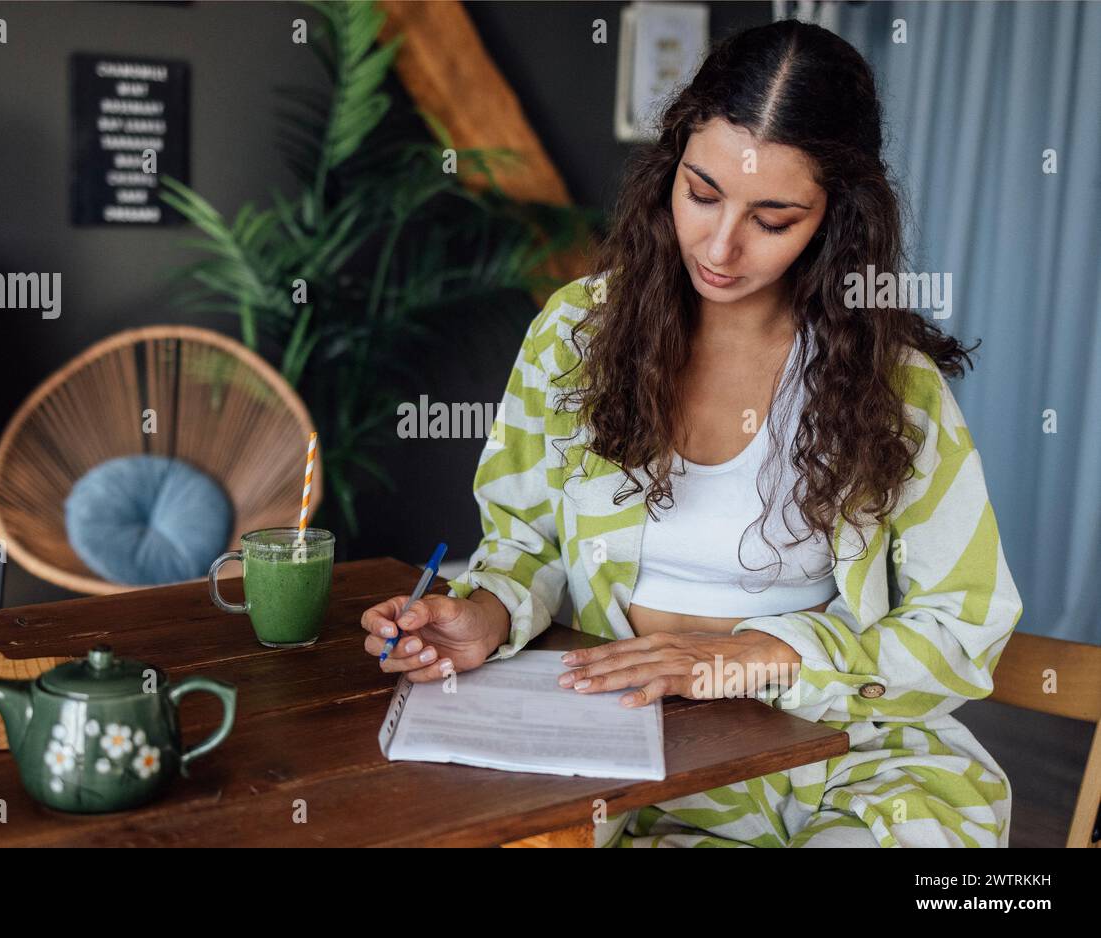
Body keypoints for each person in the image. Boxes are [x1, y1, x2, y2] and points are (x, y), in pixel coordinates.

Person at [359, 19, 1022, 847]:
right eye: (702, 193)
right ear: (670, 165)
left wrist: (747, 657)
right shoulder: (574, 337)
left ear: (836, 217)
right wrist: (486, 611)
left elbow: (963, 625)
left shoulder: (893, 383)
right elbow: (525, 542)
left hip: (849, 755)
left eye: (773, 218)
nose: (719, 245)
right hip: (640, 753)